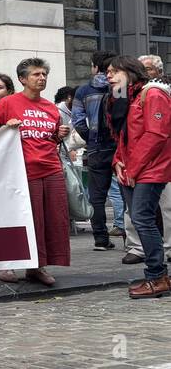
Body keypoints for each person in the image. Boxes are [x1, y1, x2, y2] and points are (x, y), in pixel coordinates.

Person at [0, 57, 71, 286]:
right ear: (22, 79)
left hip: (52, 167)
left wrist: (59, 134)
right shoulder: (8, 103)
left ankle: (37, 266)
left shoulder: (50, 108)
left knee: (52, 219)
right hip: (22, 169)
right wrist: (6, 127)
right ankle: (8, 262)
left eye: (44, 74)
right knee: (25, 218)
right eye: (36, 74)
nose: (42, 78)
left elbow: (50, 138)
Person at [109, 55, 171, 297]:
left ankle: (157, 276)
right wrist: (118, 162)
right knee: (142, 219)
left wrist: (132, 168)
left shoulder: (153, 94)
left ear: (130, 72)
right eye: (108, 72)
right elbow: (123, 136)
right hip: (134, 168)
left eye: (114, 71)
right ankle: (158, 275)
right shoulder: (128, 97)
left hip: (150, 169)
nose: (109, 76)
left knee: (143, 218)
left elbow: (156, 135)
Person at [72, 50, 118, 250]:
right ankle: (134, 242)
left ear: (95, 66)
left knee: (97, 197)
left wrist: (90, 138)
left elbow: (78, 120)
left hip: (96, 149)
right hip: (119, 148)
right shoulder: (120, 88)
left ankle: (101, 239)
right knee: (127, 193)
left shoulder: (83, 90)